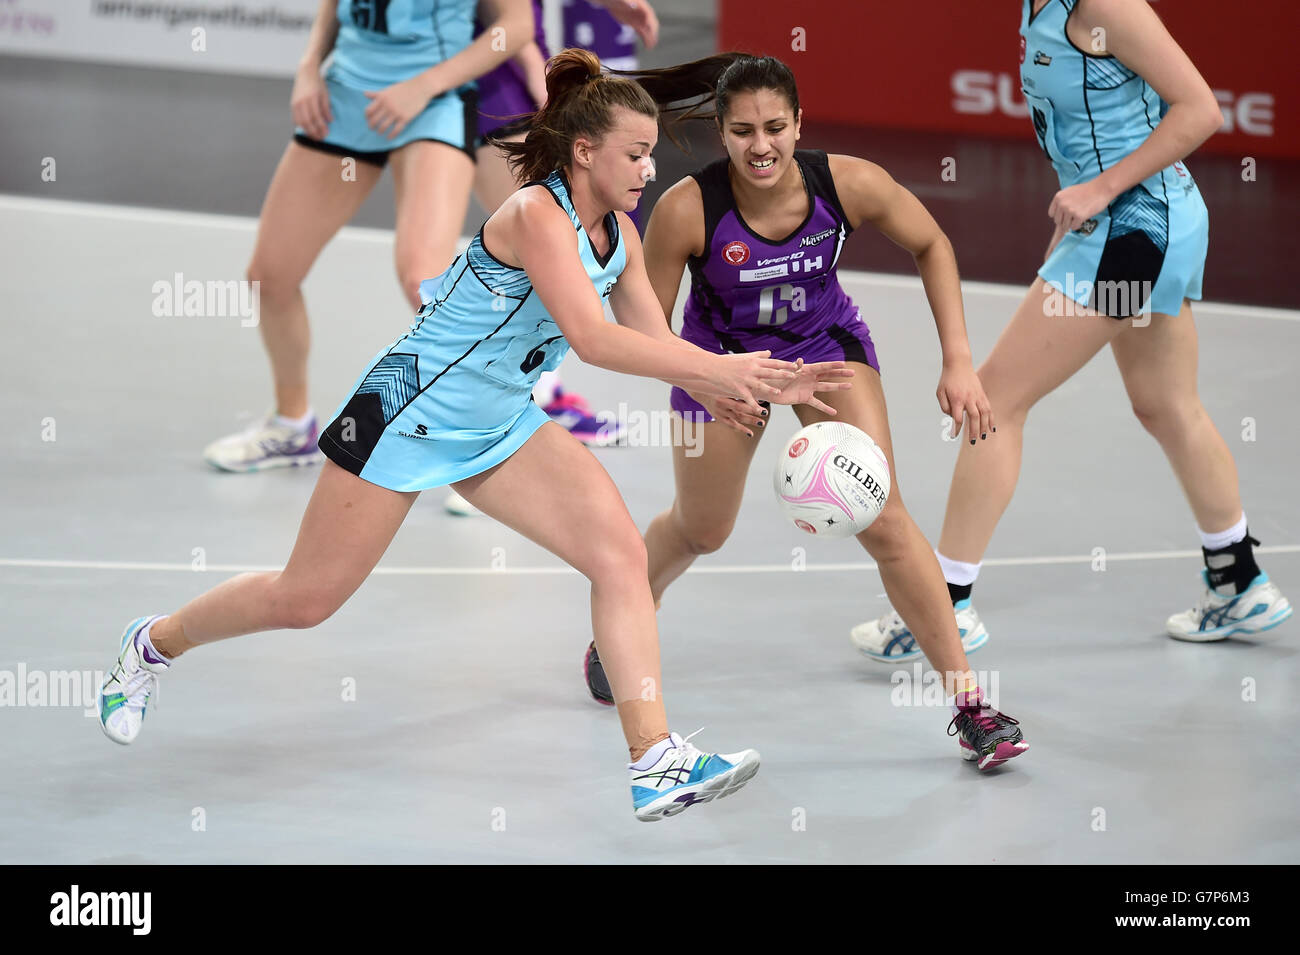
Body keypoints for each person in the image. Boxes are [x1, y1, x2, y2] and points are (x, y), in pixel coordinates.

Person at [99, 49, 854, 821]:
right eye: (634, 153)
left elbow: (655, 337)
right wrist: (725, 374)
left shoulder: (620, 234)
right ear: (586, 151)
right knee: (306, 599)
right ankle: (153, 642)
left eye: (651, 153)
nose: (648, 169)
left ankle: (655, 758)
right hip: (406, 411)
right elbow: (593, 341)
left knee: (621, 553)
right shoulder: (535, 215)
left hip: (500, 419)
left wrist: (735, 380)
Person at [580, 54, 1030, 771]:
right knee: (702, 528)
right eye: (742, 131)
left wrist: (957, 359)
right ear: (721, 134)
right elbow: (645, 330)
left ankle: (973, 705)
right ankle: (618, 631)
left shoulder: (846, 183)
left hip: (824, 350)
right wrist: (711, 382)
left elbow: (931, 243)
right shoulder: (687, 209)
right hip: (721, 360)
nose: (761, 145)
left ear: (799, 124)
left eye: (775, 127)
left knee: (883, 515)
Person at [852, 0, 1291, 656]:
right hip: (1125, 227)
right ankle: (1241, 582)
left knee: (994, 402)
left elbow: (1200, 109)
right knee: (1167, 405)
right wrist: (1080, 197)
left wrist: (1099, 189)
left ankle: (943, 607)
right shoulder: (1040, 8)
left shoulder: (1106, 4)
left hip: (1133, 229)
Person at [202, 0, 533, 472]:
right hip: (344, 99)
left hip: (432, 104)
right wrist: (310, 66)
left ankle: (480, 449)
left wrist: (423, 86)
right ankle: (291, 426)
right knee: (270, 276)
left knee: (425, 283)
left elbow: (516, 25)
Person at [442, 0, 660, 517]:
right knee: (494, 264)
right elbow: (513, 26)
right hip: (465, 98)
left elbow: (515, 24)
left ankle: (534, 400)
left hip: (492, 97)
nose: (646, 170)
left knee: (540, 263)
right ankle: (478, 431)